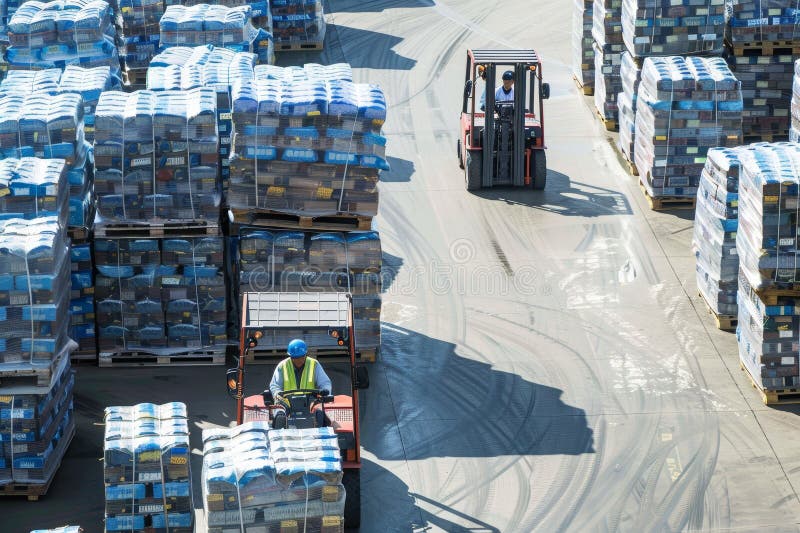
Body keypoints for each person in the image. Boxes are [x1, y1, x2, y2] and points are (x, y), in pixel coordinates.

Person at [269, 339, 333, 428]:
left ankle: (322, 438)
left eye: (301, 357)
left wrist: (325, 391)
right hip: (286, 401)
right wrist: (277, 394)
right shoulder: (282, 366)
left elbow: (325, 382)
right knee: (280, 416)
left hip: (311, 400)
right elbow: (275, 385)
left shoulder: (314, 364)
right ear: (290, 356)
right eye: (295, 358)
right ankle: (277, 438)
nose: (299, 360)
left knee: (320, 414)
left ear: (305, 355)